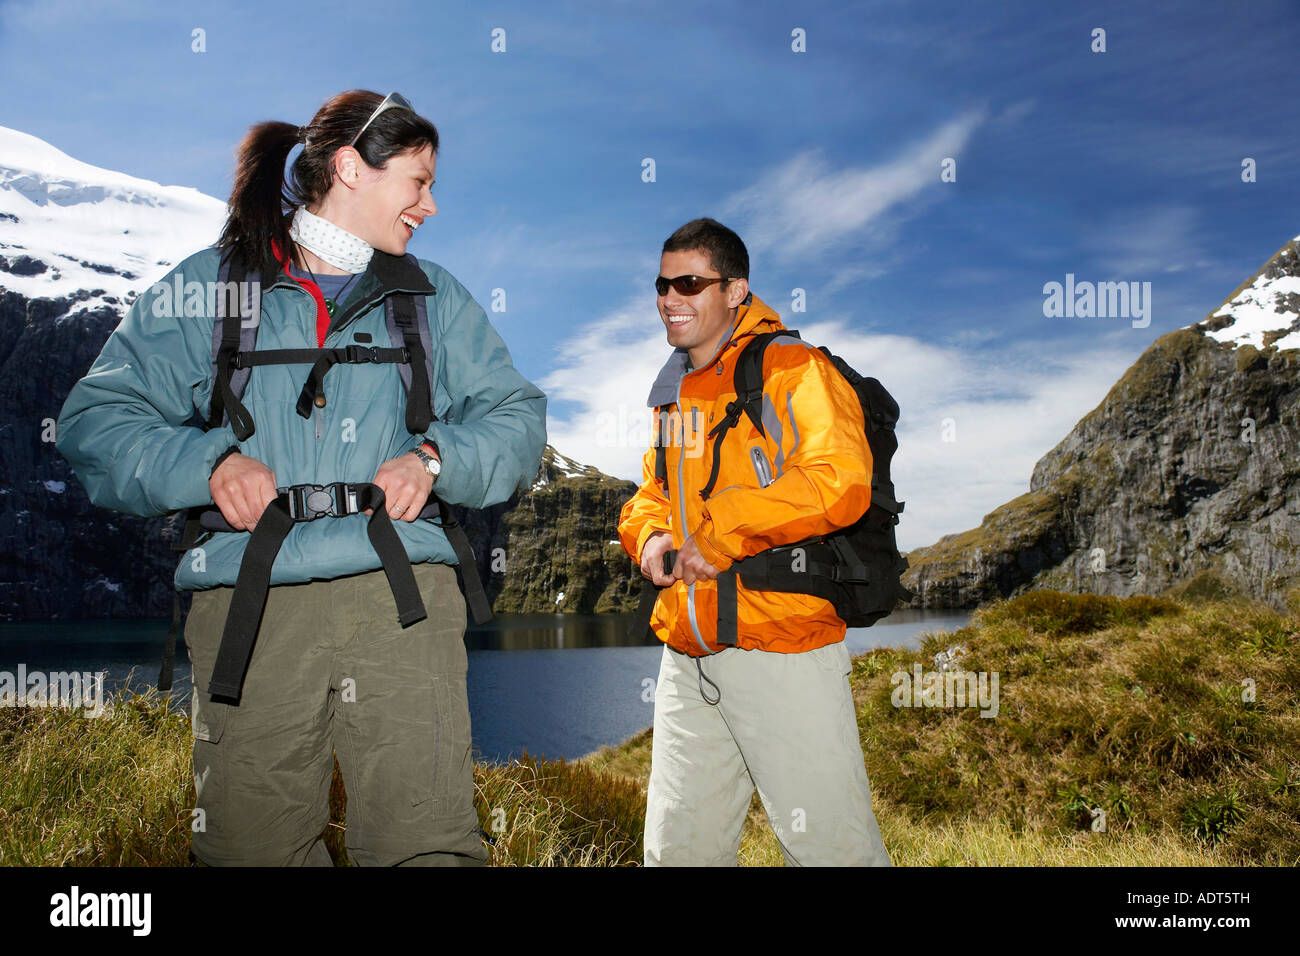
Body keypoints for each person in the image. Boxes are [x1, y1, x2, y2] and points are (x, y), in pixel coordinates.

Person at [56, 90, 547, 866]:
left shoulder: (431, 298)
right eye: (418, 182)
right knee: (250, 851)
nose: (431, 204)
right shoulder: (211, 289)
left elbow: (516, 418)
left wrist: (437, 458)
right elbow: (95, 422)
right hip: (250, 604)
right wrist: (208, 462)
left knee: (427, 846)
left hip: (402, 603)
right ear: (351, 167)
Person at [617, 218, 891, 866]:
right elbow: (652, 491)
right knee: (677, 855)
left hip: (782, 648)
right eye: (661, 284)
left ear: (736, 290)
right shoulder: (674, 398)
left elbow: (839, 481)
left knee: (832, 853)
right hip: (689, 655)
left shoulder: (795, 369)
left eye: (689, 283)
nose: (668, 298)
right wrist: (652, 535)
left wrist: (721, 534)